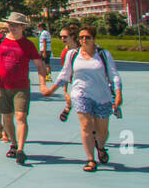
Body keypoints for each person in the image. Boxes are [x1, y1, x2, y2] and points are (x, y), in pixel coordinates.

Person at [50, 25, 123, 172]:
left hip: (102, 96)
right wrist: (51, 89)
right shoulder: (73, 54)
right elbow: (65, 74)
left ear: (94, 39)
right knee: (86, 126)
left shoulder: (103, 54)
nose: (84, 40)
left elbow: (114, 75)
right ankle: (90, 159)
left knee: (102, 132)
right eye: (81, 37)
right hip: (81, 94)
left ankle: (100, 147)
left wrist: (118, 92)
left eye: (87, 37)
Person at [0, 12, 52, 166]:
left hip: (21, 87)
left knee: (21, 116)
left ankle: (21, 149)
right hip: (2, 86)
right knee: (7, 117)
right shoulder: (0, 40)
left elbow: (39, 64)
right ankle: (14, 144)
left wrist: (43, 83)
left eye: (16, 25)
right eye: (10, 24)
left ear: (23, 27)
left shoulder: (28, 45)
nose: (12, 27)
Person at [57, 25, 80, 122]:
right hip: (74, 81)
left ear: (73, 36)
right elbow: (65, 72)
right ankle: (68, 106)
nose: (62, 39)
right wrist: (65, 92)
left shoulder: (83, 48)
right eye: (61, 37)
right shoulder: (64, 53)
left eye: (65, 37)